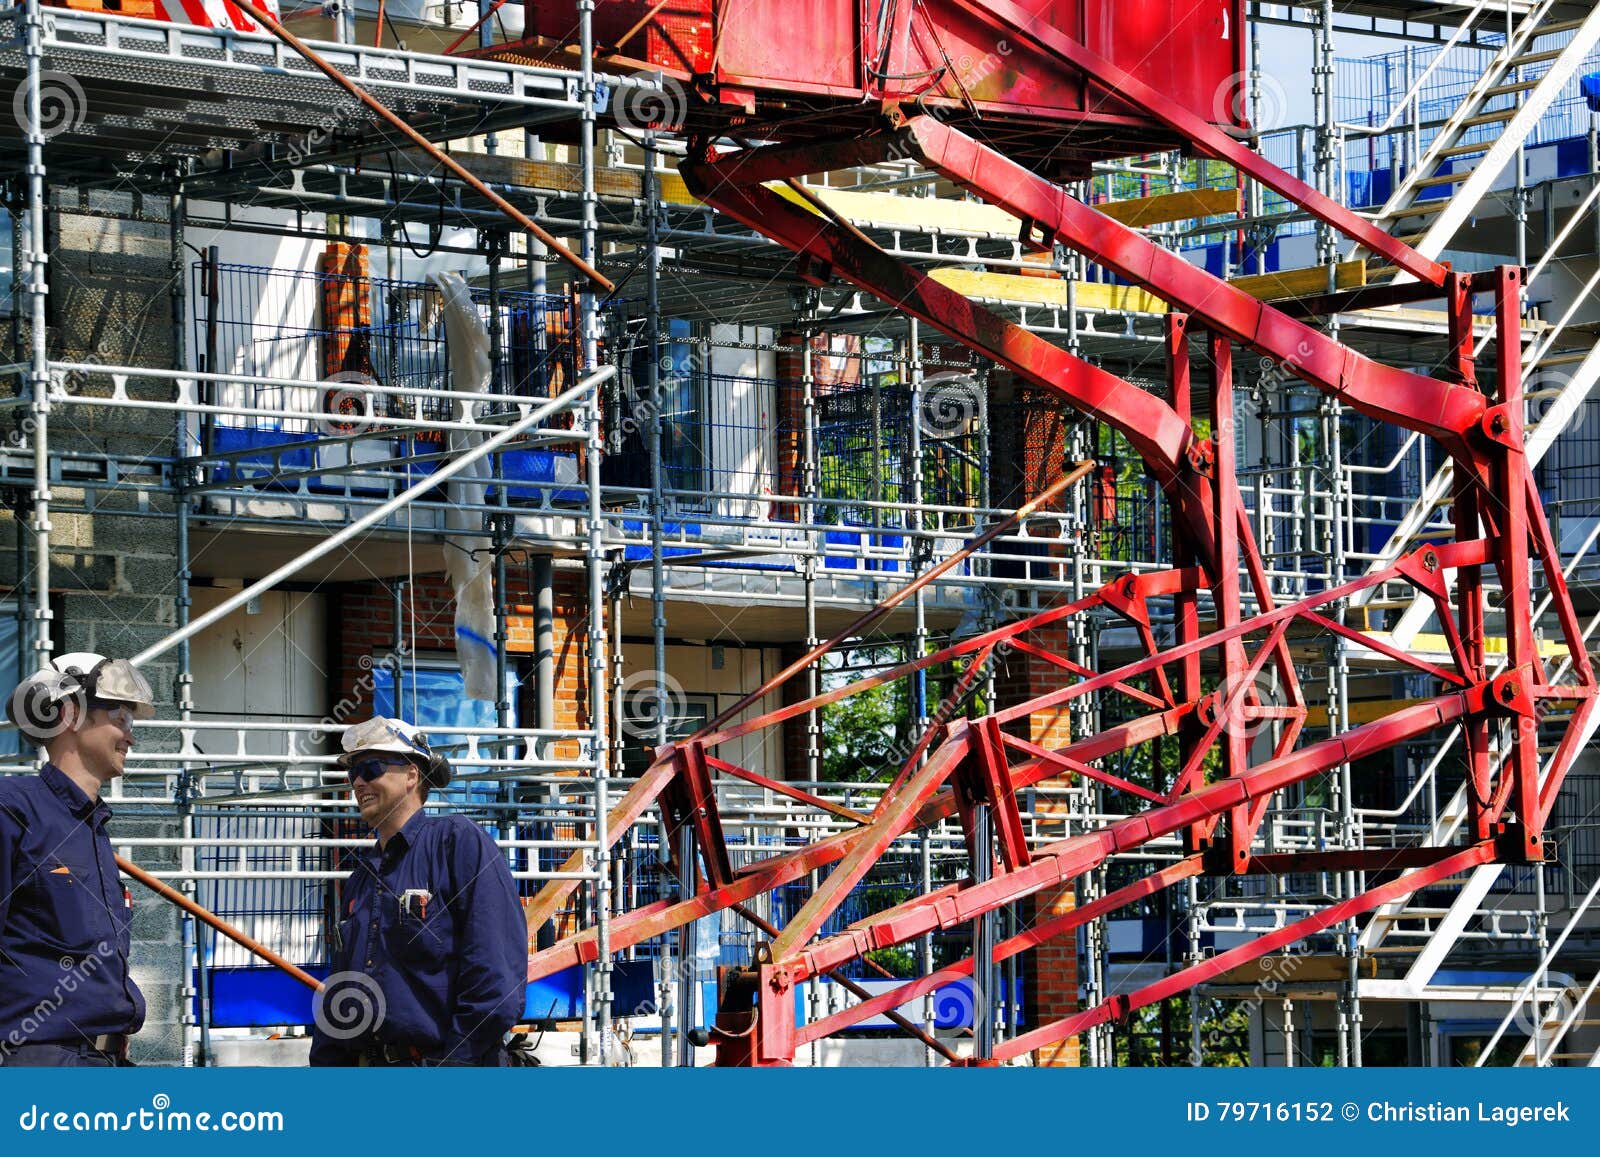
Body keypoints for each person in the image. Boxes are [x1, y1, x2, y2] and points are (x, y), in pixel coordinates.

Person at [309, 716, 526, 1066]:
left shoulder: (457, 843)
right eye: (353, 774)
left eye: (371, 767)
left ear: (412, 775)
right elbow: (343, 987)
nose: (359, 782)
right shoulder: (362, 876)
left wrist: (451, 1068)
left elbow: (495, 982)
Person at [0, 653, 155, 1066]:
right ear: (70, 713)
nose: (130, 736)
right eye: (120, 718)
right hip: (39, 1063)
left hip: (103, 1060)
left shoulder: (92, 828)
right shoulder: (13, 809)